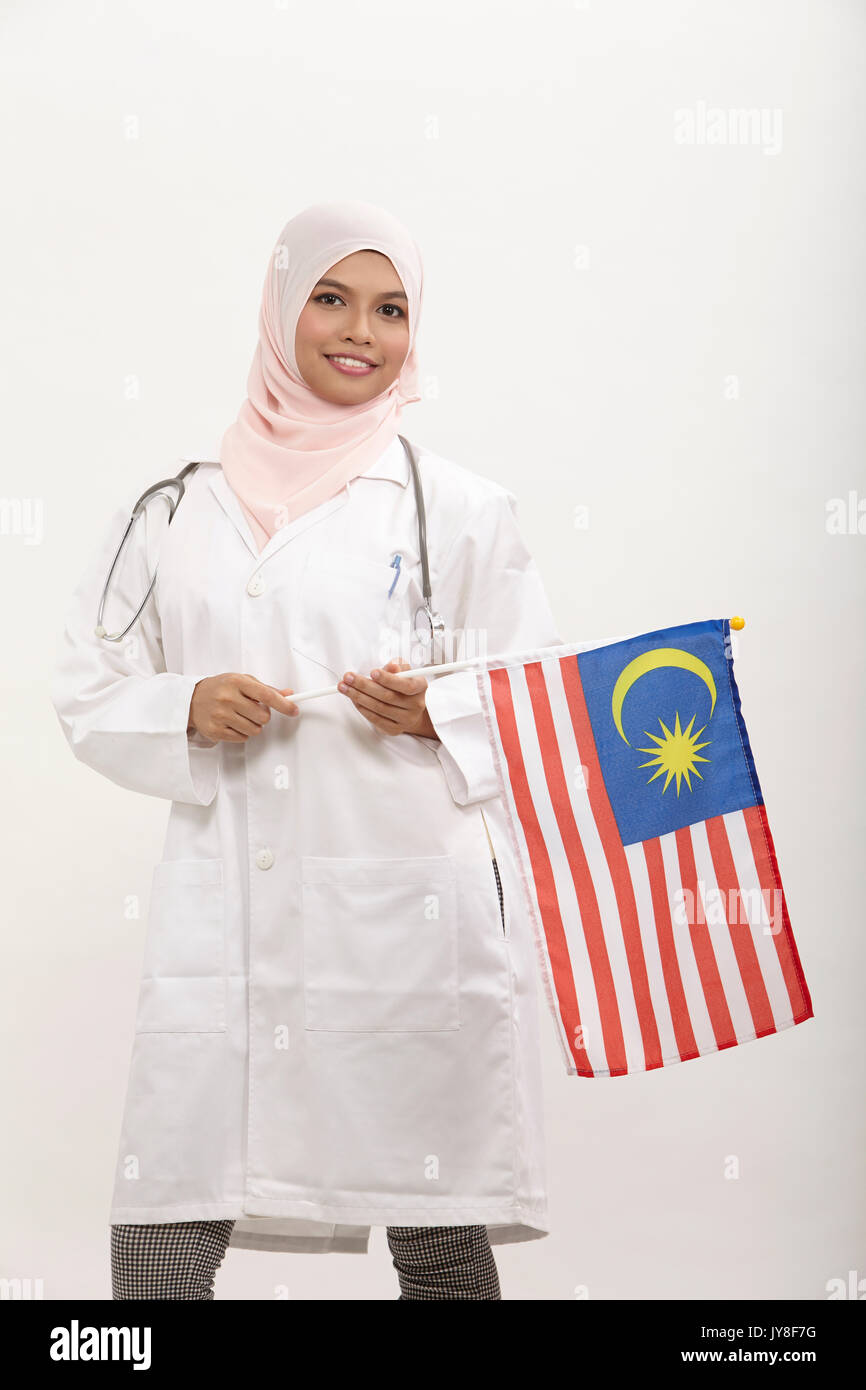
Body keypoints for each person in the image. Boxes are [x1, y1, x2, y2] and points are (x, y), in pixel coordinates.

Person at [49, 200, 565, 1300]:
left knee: (431, 1217)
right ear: (281, 308)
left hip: (399, 917)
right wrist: (185, 705)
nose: (357, 330)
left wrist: (435, 709)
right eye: (330, 297)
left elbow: (536, 695)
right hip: (223, 905)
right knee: (168, 1211)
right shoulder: (171, 509)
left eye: (389, 309)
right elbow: (87, 683)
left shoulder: (456, 508)